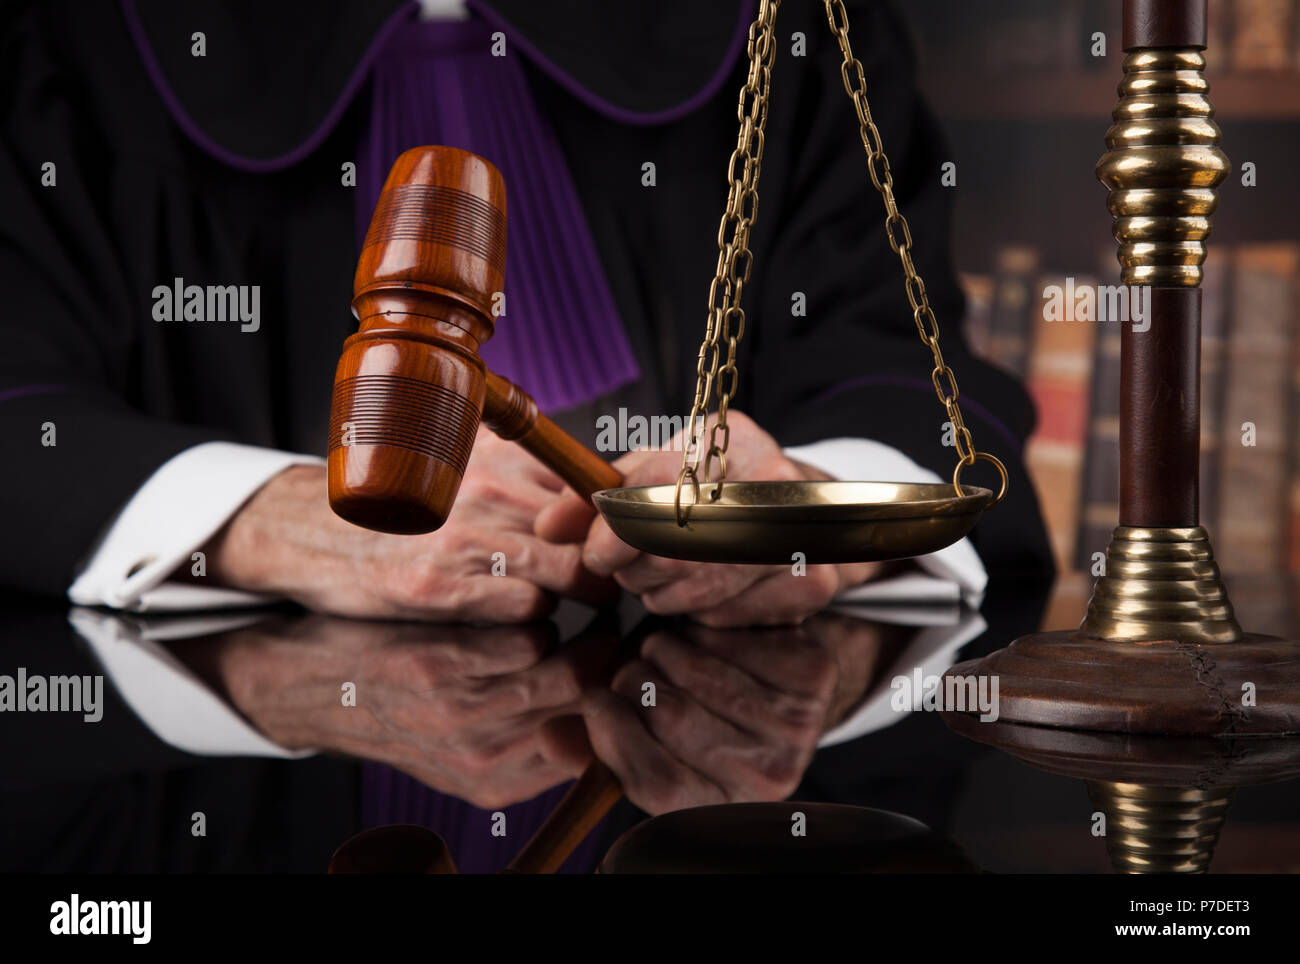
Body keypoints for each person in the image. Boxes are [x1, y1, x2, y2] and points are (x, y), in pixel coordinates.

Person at [0, 0, 1052, 625]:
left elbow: (911, 383)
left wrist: (812, 513)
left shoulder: (790, 22)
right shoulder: (67, 40)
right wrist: (262, 518)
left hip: (688, 789)